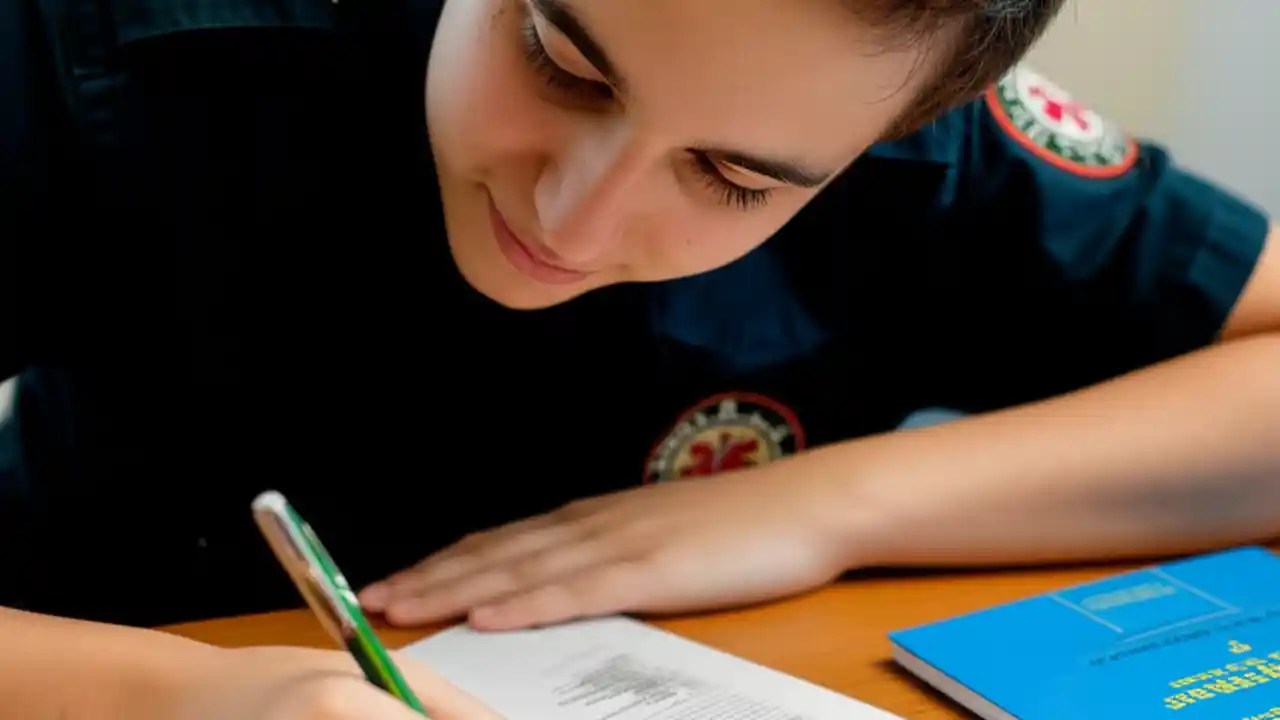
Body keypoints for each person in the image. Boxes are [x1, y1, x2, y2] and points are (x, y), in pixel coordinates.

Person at [2, 0, 1278, 715]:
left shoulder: (938, 150)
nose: (574, 222)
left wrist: (830, 503)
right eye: (559, 63)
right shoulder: (118, 49)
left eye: (731, 177)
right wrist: (176, 699)